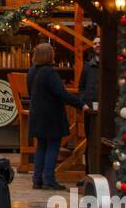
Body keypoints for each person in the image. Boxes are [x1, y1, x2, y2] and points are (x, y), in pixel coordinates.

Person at [27, 42, 86, 190]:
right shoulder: (49, 72)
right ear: (50, 55)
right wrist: (80, 104)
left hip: (36, 114)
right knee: (53, 146)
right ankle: (49, 180)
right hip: (51, 115)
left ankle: (37, 179)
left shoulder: (31, 71)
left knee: (41, 147)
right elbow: (61, 93)